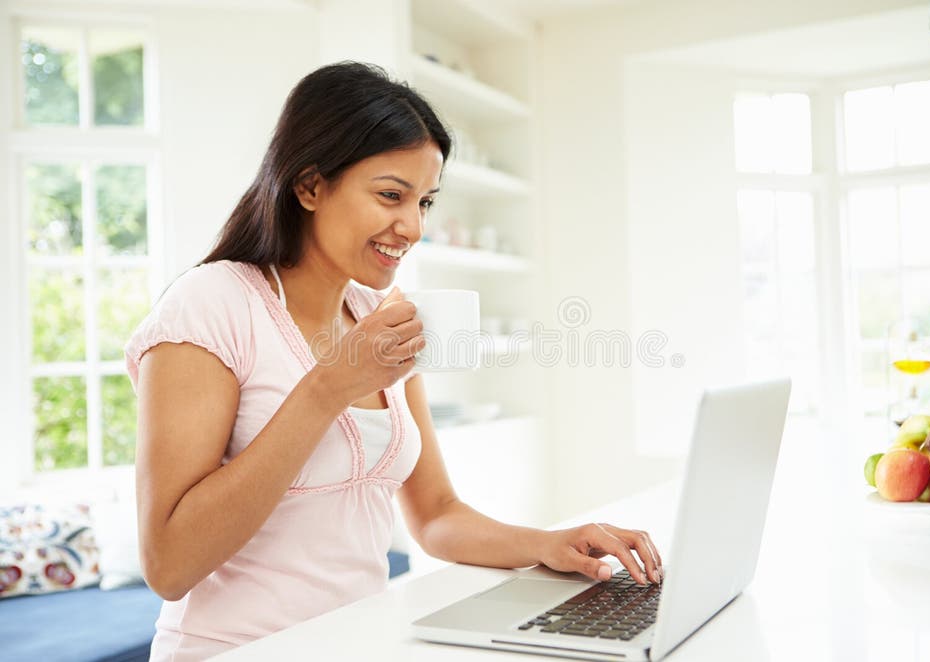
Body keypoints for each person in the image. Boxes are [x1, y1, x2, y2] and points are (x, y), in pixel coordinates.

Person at [124, 61, 662, 660]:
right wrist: (330, 386)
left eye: (425, 202)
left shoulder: (382, 317)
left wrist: (551, 543)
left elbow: (436, 516)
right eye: (390, 195)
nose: (412, 227)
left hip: (360, 644)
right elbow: (169, 565)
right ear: (308, 186)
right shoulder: (211, 305)